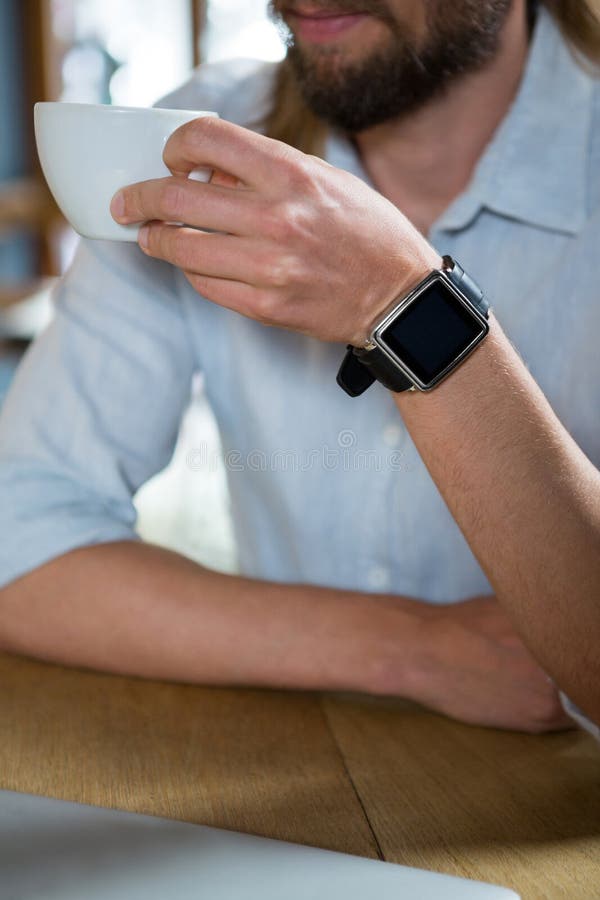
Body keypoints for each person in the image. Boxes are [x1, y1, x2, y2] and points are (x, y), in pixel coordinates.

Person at [0, 0, 598, 736]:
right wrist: (413, 647)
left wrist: (406, 306)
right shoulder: (189, 141)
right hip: (294, 771)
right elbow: (19, 537)